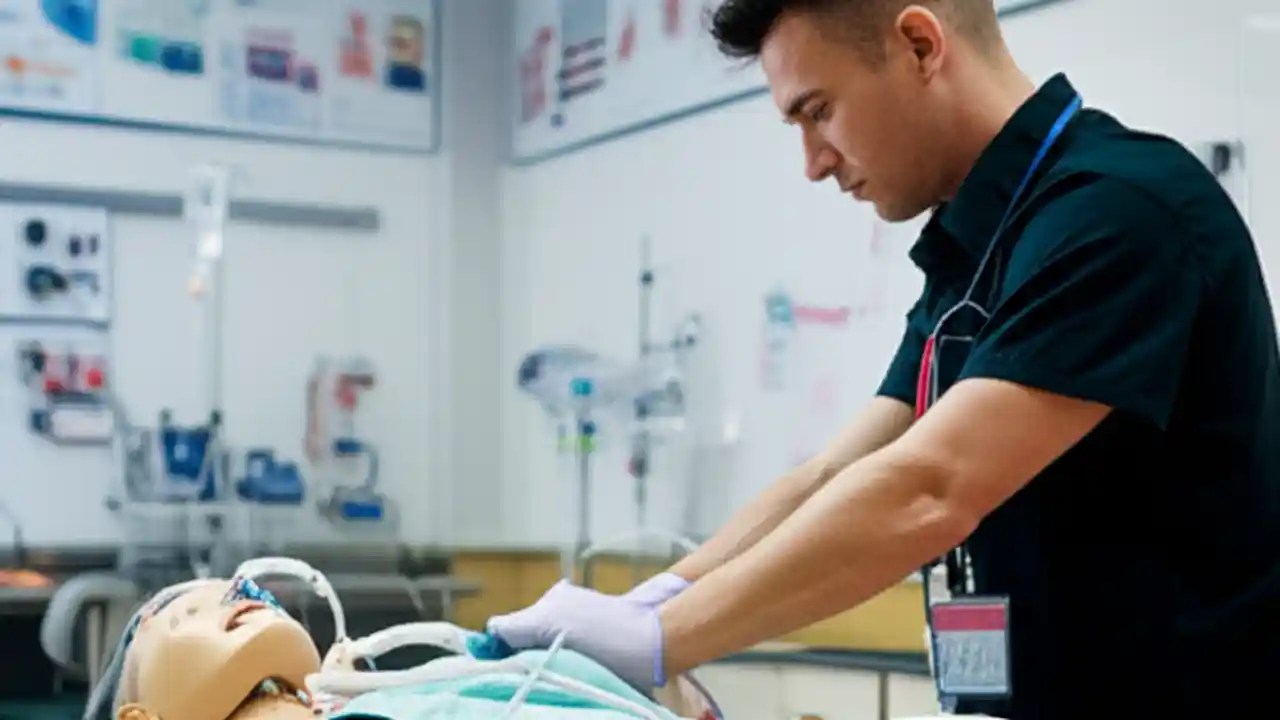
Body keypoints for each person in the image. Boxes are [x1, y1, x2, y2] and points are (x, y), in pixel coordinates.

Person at [487, 1, 1280, 718]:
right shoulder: (979, 250)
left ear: (920, 44)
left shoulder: (1119, 214)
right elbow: (838, 473)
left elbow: (928, 489)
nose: (813, 162)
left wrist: (662, 639)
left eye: (818, 112)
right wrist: (656, 599)